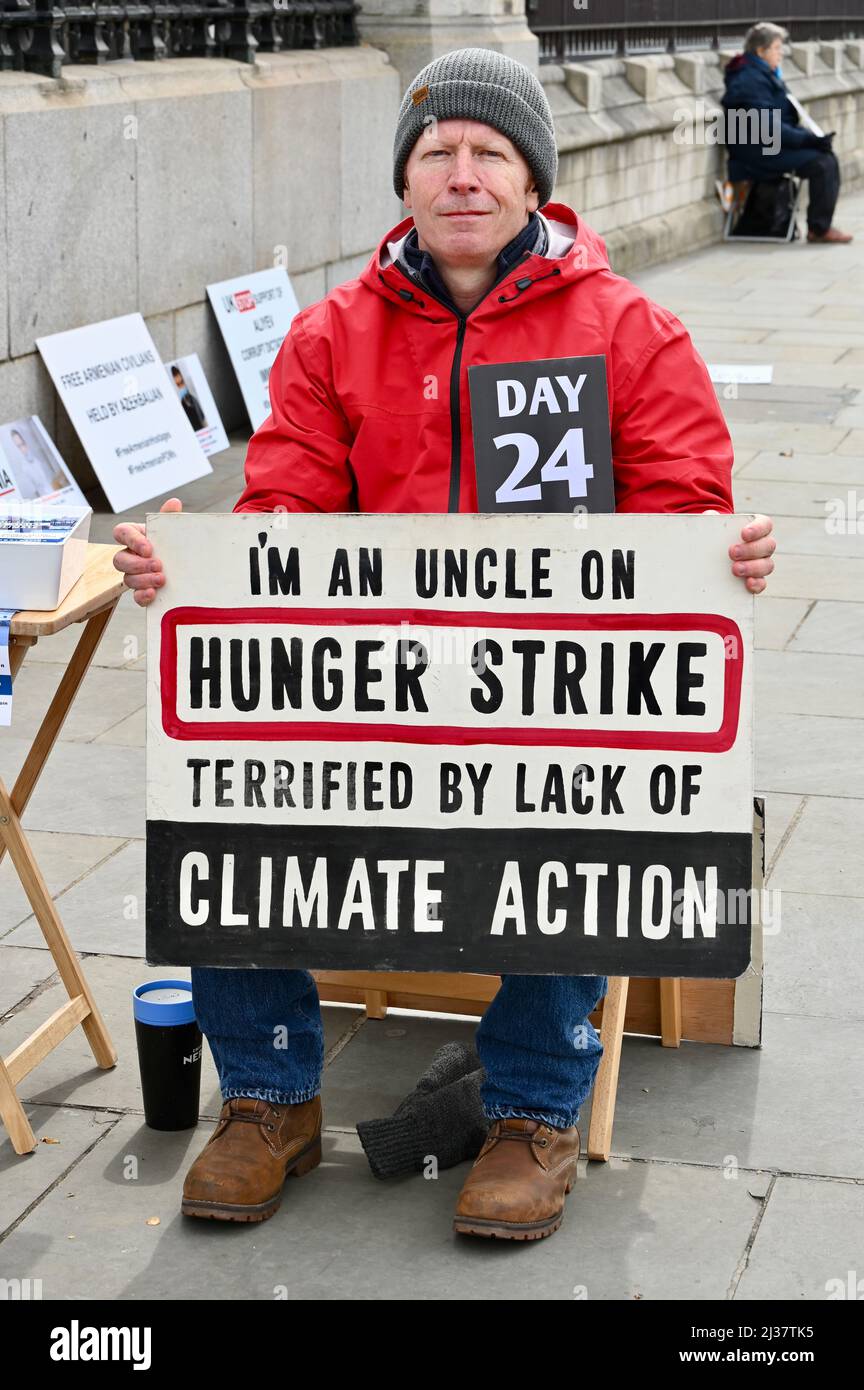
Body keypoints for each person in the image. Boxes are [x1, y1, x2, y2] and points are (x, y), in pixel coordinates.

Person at [113, 47, 776, 1242]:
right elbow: (284, 511)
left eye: (490, 153)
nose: (463, 175)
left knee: (589, 823)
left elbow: (687, 503)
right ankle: (268, 1096)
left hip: (555, 691)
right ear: (405, 183)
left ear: (533, 181)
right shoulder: (328, 335)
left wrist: (722, 555)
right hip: (377, 684)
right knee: (218, 796)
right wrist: (198, 569)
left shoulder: (632, 329)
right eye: (437, 152)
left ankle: (533, 1108)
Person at [722, 21, 852, 244]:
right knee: (822, 163)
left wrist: (810, 138)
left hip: (768, 145)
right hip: (755, 153)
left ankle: (819, 226)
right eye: (776, 48)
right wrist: (807, 140)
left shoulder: (763, 74)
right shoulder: (749, 80)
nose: (781, 54)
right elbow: (766, 126)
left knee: (825, 158)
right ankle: (819, 229)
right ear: (760, 51)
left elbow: (782, 118)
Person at [171, 365, 208, 431]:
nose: (182, 387)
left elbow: (202, 418)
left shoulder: (193, 396)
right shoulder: (181, 402)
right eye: (178, 384)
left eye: (182, 382)